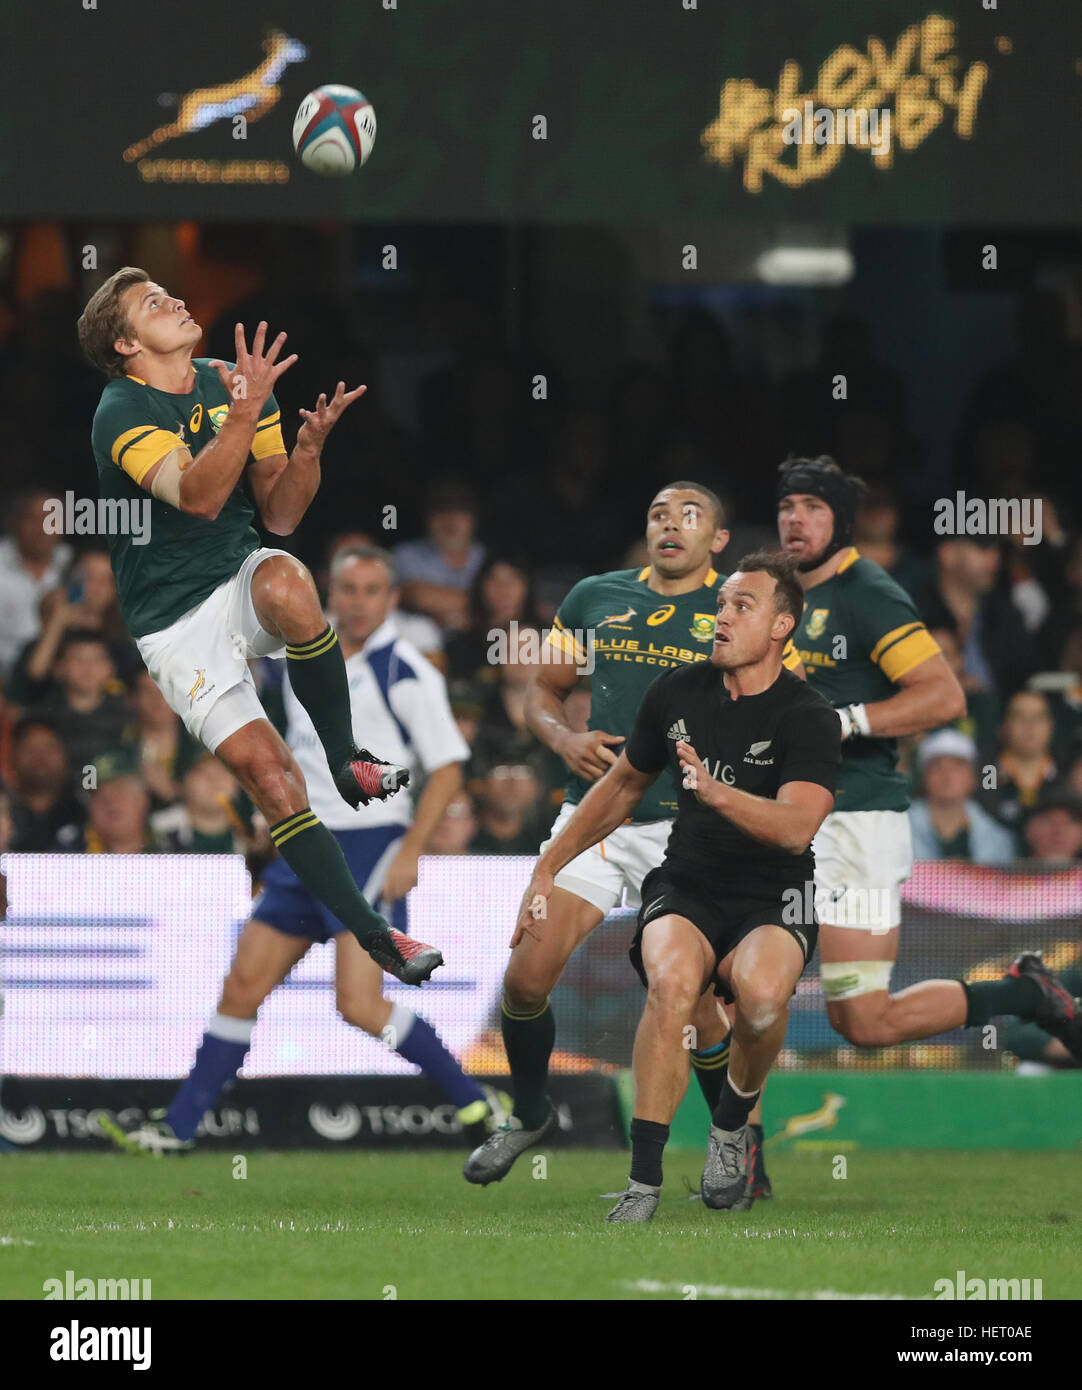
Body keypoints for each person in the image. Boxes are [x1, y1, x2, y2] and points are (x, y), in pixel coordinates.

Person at [76, 267, 440, 984]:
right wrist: (246, 412)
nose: (176, 300)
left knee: (288, 578)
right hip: (173, 624)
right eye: (153, 304)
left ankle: (346, 760)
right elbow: (201, 497)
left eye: (169, 292)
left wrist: (305, 452)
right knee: (273, 783)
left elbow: (279, 515)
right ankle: (376, 937)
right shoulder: (119, 410)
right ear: (126, 343)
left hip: (239, 578)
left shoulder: (225, 379)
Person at [102, 545, 499, 1154]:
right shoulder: (301, 653)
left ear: (392, 600)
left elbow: (448, 766)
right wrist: (272, 822)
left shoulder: (407, 669)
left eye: (372, 590)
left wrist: (412, 849)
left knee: (359, 1005)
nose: (358, 602)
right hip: (303, 841)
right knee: (242, 985)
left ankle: (473, 1098)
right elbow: (290, 755)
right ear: (331, 595)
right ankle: (177, 1129)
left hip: (371, 844)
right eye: (349, 589)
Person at [464, 482, 801, 1191]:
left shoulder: (733, 612)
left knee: (704, 1008)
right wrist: (564, 738)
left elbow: (780, 712)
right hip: (600, 815)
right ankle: (528, 1113)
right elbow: (542, 691)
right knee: (524, 976)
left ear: (717, 540)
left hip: (691, 835)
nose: (670, 525)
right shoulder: (594, 597)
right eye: (657, 513)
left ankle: (742, 1151)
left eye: (691, 515)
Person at [511, 553, 841, 1220]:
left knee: (763, 1000)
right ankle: (643, 1182)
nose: (722, 616)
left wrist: (718, 795)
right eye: (721, 604)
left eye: (741, 606)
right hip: (688, 879)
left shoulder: (809, 715)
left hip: (775, 891)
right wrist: (550, 863)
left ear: (782, 626)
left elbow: (796, 828)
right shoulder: (676, 691)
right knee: (669, 989)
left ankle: (731, 1126)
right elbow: (623, 786)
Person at [771, 457, 1080, 1066]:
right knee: (742, 984)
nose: (796, 520)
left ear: (844, 522)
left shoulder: (869, 593)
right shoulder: (778, 593)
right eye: (786, 507)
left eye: (814, 508)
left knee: (863, 1020)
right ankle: (742, 1154)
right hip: (781, 816)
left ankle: (1022, 994)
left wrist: (843, 721)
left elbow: (944, 695)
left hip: (853, 821)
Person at [908, 730, 1017, 863]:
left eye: (957, 766)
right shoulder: (899, 828)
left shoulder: (998, 838)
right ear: (924, 777)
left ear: (973, 777)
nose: (947, 775)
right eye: (937, 767)